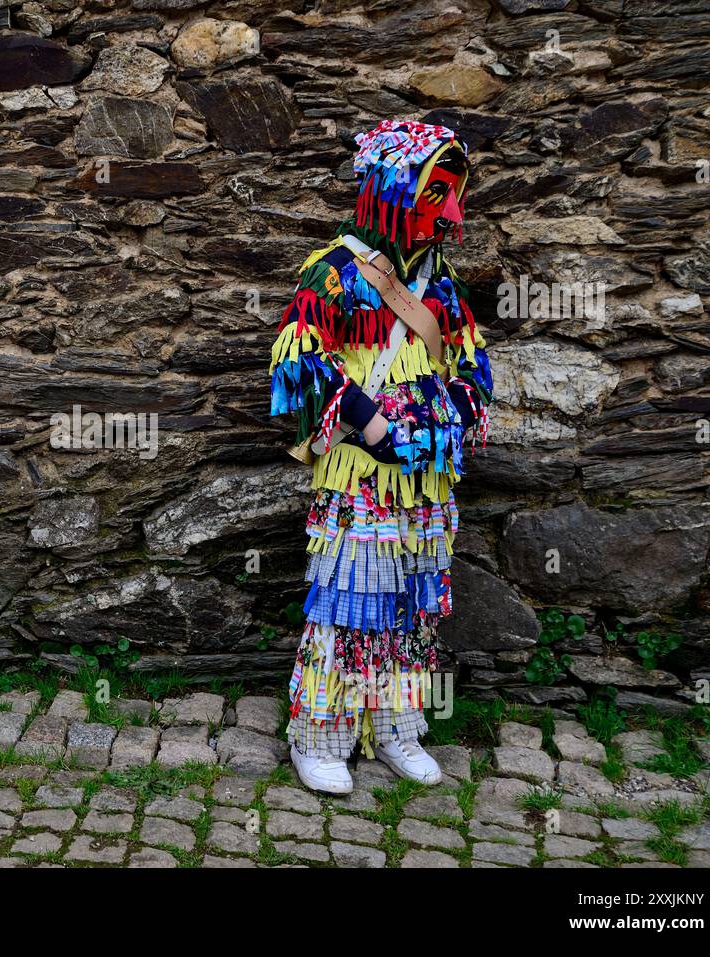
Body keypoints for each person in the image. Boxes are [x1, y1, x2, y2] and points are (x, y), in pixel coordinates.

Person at [267, 120, 494, 794]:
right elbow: (298, 362)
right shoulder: (334, 271)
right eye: (435, 192)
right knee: (347, 598)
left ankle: (397, 724)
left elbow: (469, 357)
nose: (449, 213)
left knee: (410, 603)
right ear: (394, 189)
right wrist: (371, 425)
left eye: (453, 194)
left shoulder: (439, 281)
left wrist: (446, 412)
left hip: (424, 483)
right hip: (361, 475)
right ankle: (323, 733)